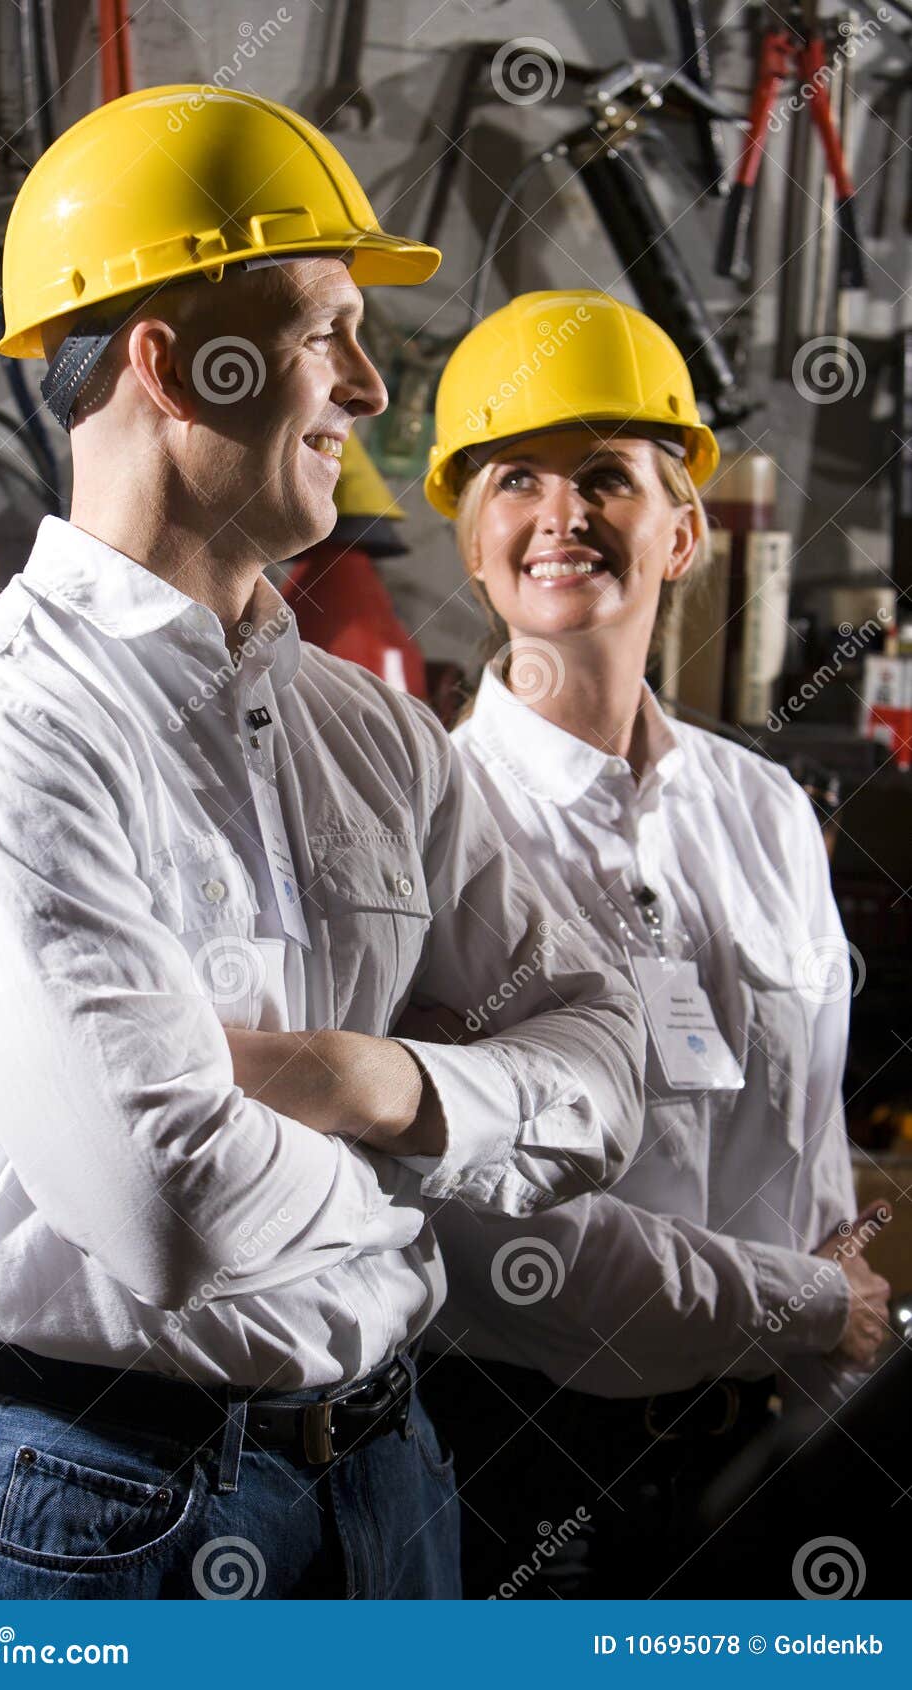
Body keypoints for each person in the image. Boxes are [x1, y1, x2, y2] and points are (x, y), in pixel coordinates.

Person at [0, 98, 646, 1601]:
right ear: (167, 359)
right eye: (327, 328)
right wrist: (454, 1171)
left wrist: (377, 1081)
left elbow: (610, 1056)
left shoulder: (379, 732)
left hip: (389, 1472)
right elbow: (175, 1214)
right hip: (88, 1502)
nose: (366, 379)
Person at [410, 290, 890, 1599]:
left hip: (781, 1440)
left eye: (608, 477)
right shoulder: (438, 828)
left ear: (682, 534)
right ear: (473, 541)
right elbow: (498, 1234)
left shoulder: (766, 808)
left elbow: (811, 1147)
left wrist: (831, 1355)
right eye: (517, 478)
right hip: (537, 1463)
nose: (562, 516)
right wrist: (804, 1306)